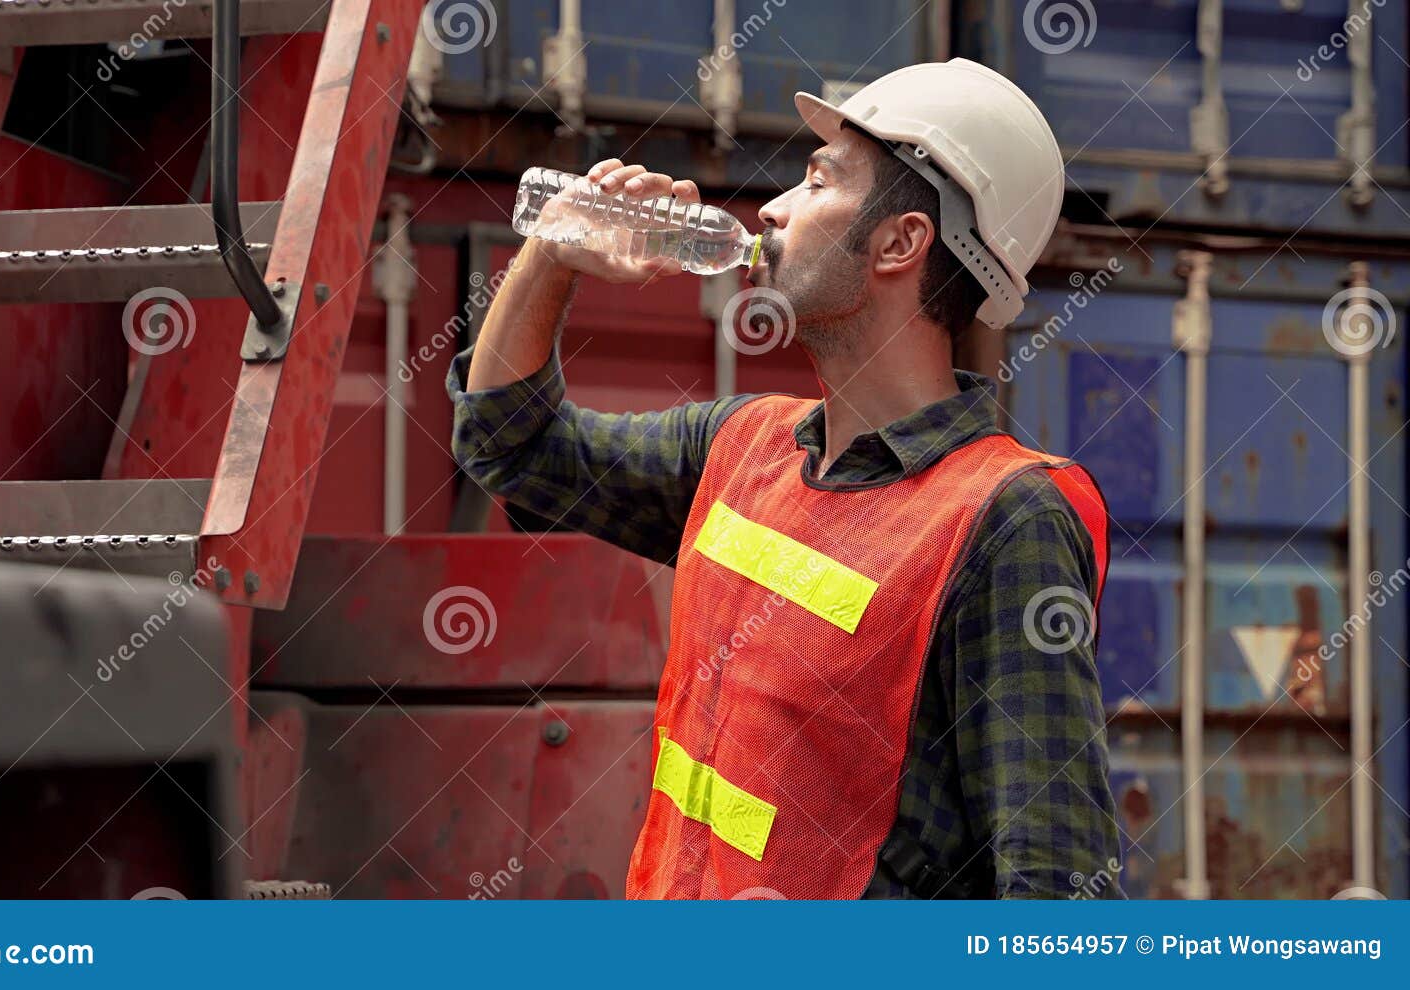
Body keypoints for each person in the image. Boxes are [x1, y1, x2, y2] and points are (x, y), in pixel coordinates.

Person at [446, 58, 1118, 898]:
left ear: (901, 242)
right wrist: (551, 256)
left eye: (817, 181)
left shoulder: (1003, 519)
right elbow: (512, 447)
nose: (771, 208)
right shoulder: (737, 447)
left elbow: (1059, 900)